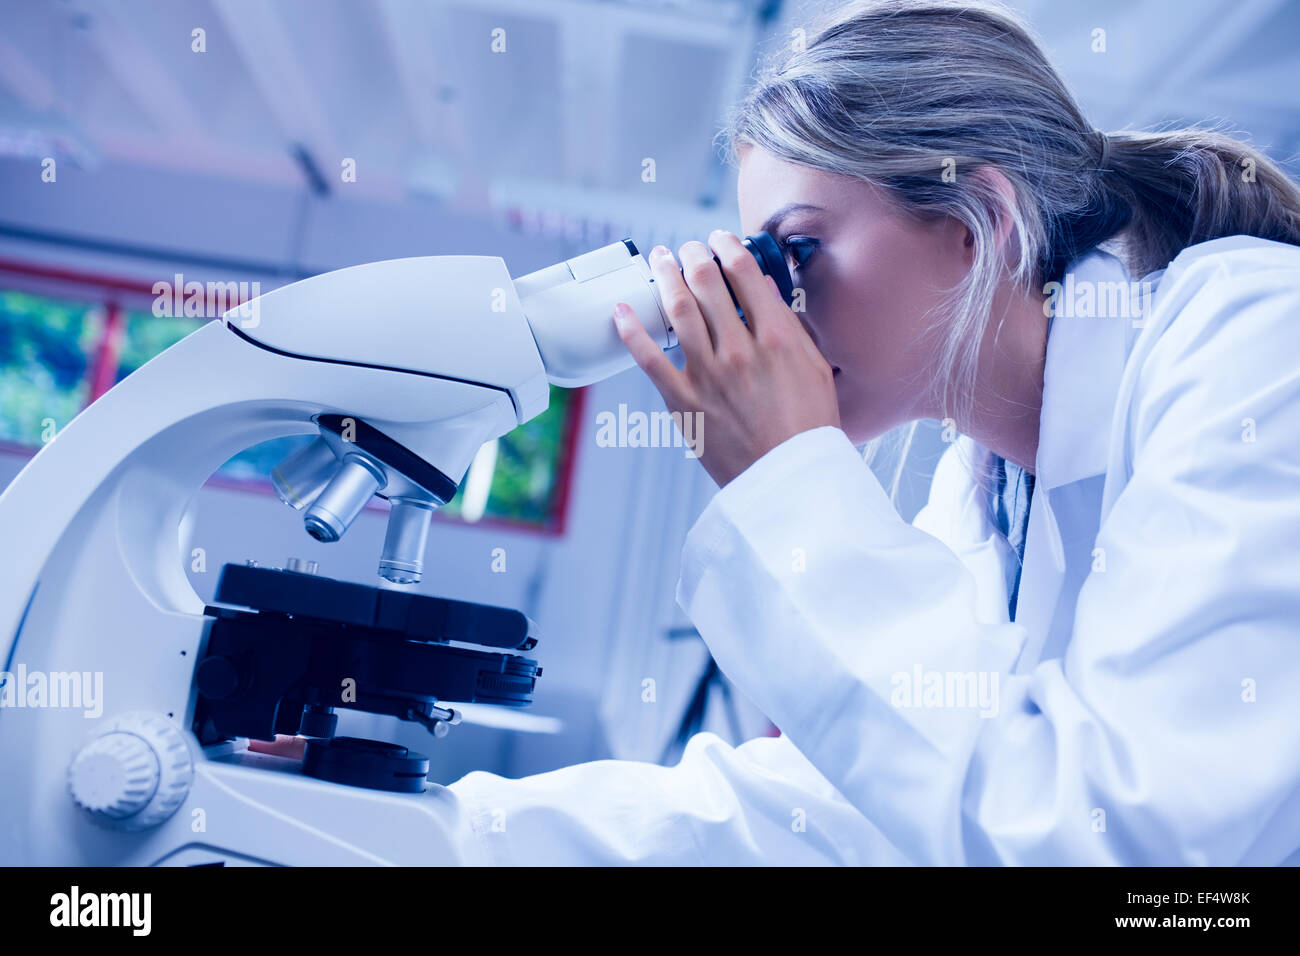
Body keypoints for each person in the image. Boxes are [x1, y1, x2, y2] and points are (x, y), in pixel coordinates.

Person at [257, 0, 1300, 864]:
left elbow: (1129, 847)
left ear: (977, 217)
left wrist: (787, 476)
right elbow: (833, 813)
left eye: (797, 249)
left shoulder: (1256, 339)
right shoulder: (981, 492)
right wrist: (414, 834)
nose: (774, 302)